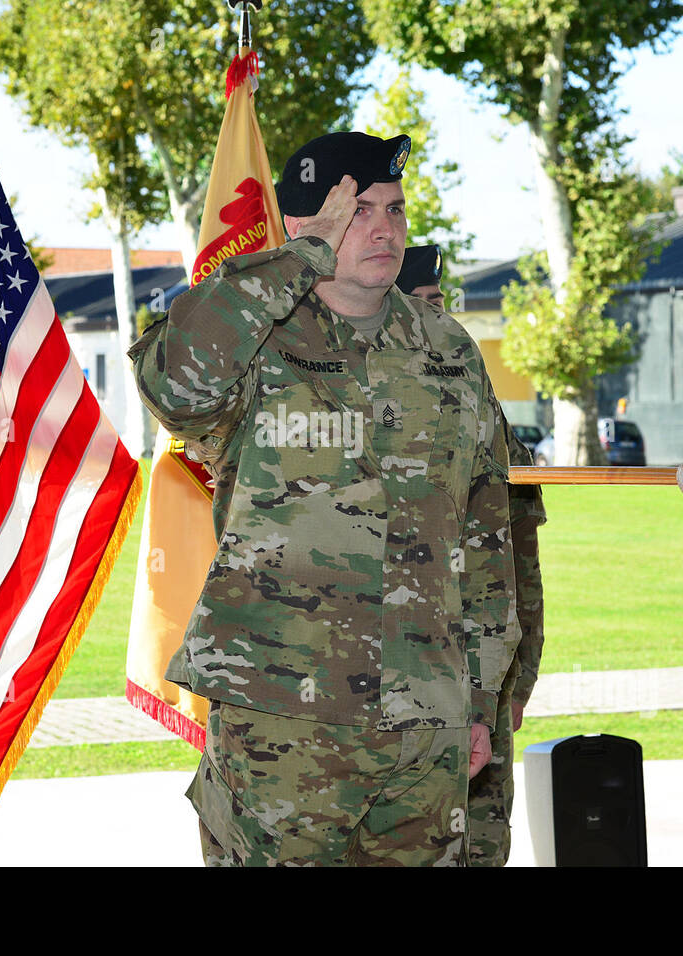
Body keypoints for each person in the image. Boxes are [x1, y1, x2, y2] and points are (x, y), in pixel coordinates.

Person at [129, 131, 519, 866]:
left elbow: (484, 536)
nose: (385, 227)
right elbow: (171, 382)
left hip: (423, 723)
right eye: (358, 210)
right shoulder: (258, 341)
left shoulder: (448, 349)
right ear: (307, 225)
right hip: (284, 723)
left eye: (396, 210)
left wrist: (479, 699)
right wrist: (302, 259)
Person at [395, 244, 548, 865]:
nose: (441, 320)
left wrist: (522, 673)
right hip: (391, 679)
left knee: (481, 843)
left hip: (480, 673)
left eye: (441, 304)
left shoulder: (475, 399)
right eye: (423, 305)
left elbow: (521, 554)